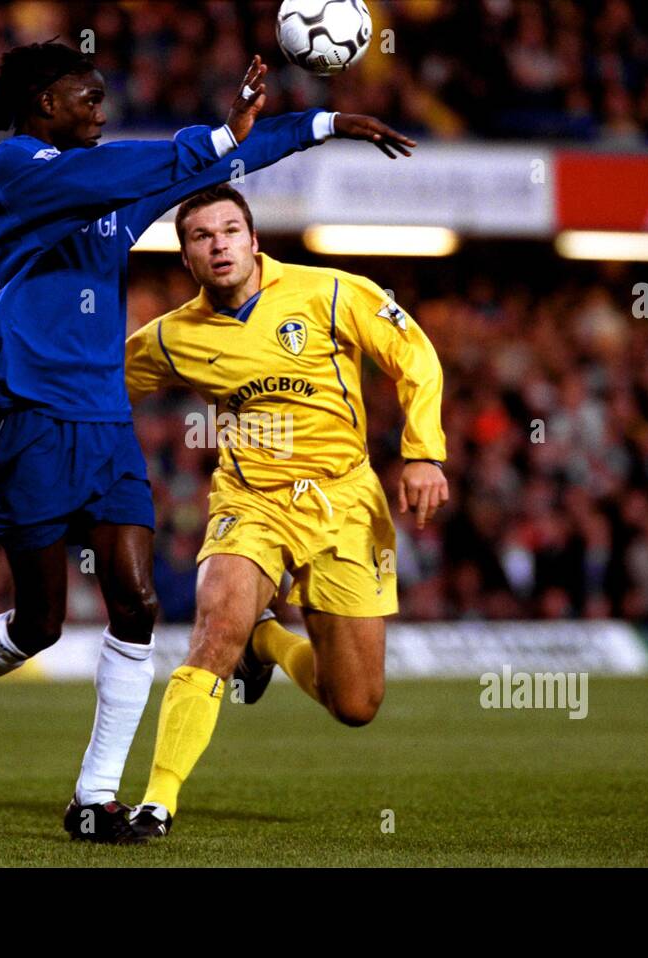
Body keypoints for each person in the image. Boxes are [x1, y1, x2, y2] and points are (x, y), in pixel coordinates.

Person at [0, 40, 418, 844]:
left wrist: (321, 123)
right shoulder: (14, 170)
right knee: (40, 622)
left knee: (138, 604)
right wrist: (210, 138)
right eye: (89, 97)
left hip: (105, 421)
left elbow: (207, 175)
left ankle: (96, 797)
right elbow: (121, 173)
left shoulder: (104, 186)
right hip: (31, 418)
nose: (101, 111)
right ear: (45, 102)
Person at [122, 184, 449, 839]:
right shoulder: (172, 338)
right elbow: (92, 383)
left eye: (229, 231)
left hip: (345, 503)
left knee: (354, 704)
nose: (218, 245)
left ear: (253, 239)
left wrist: (423, 452)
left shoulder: (331, 291)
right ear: (184, 258)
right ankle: (157, 802)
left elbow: (414, 354)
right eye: (201, 237)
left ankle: (266, 640)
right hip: (250, 503)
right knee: (214, 634)